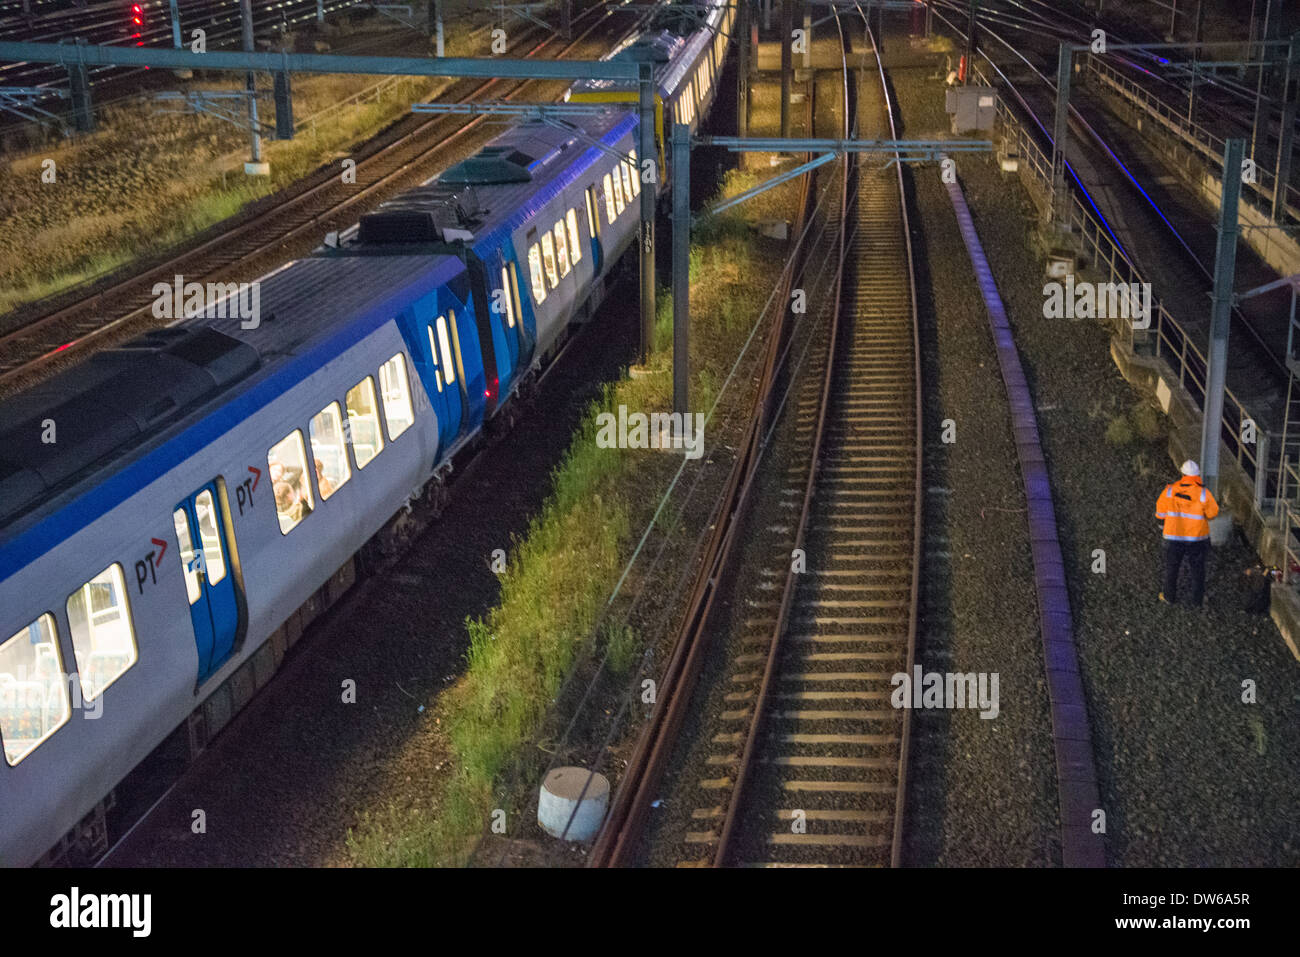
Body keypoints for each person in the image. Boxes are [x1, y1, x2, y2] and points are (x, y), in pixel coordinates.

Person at [1155, 459, 1220, 607]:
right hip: (1196, 539)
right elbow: (1212, 514)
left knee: (1172, 568)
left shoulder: (1170, 491)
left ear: (1182, 474)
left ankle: (1168, 597)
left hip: (1172, 537)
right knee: (1198, 570)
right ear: (1197, 475)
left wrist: (1162, 527)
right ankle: (1197, 601)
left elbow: (1160, 513)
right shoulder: (1204, 494)